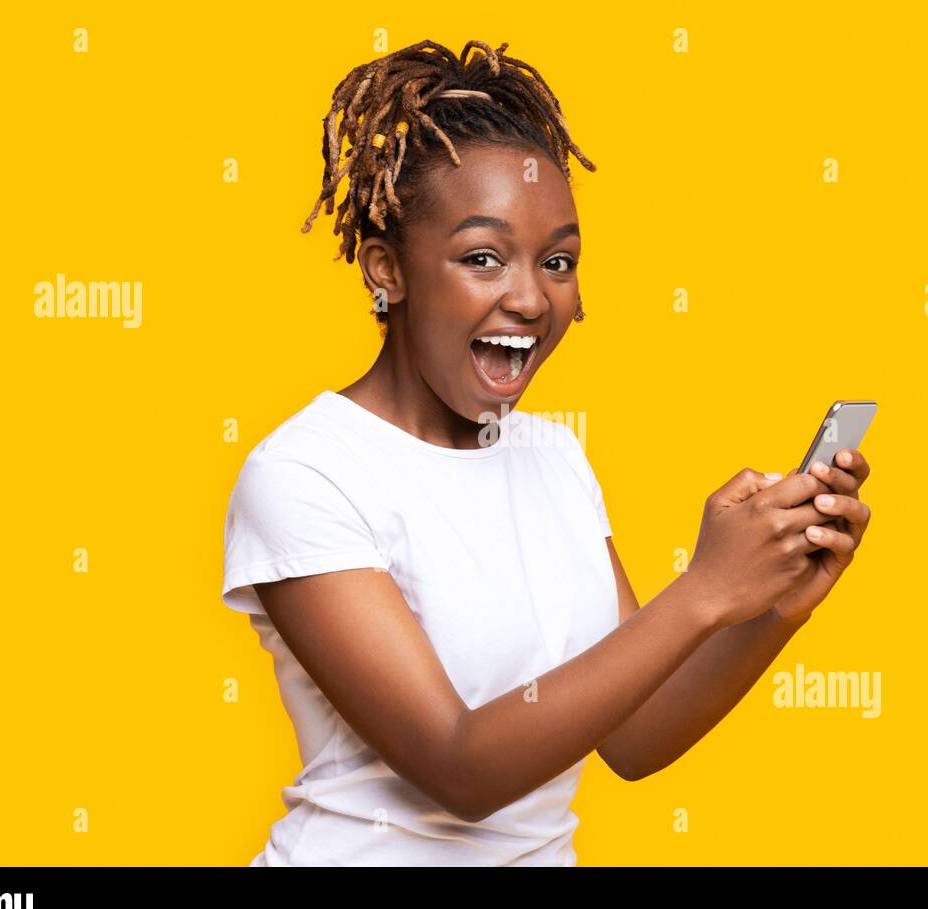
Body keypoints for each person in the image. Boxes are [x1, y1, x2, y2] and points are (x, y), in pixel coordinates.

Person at [220, 38, 873, 866]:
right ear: (387, 270)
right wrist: (707, 588)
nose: (530, 298)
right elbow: (457, 763)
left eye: (557, 261)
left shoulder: (554, 458)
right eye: (482, 257)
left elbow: (635, 735)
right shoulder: (305, 474)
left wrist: (775, 603)